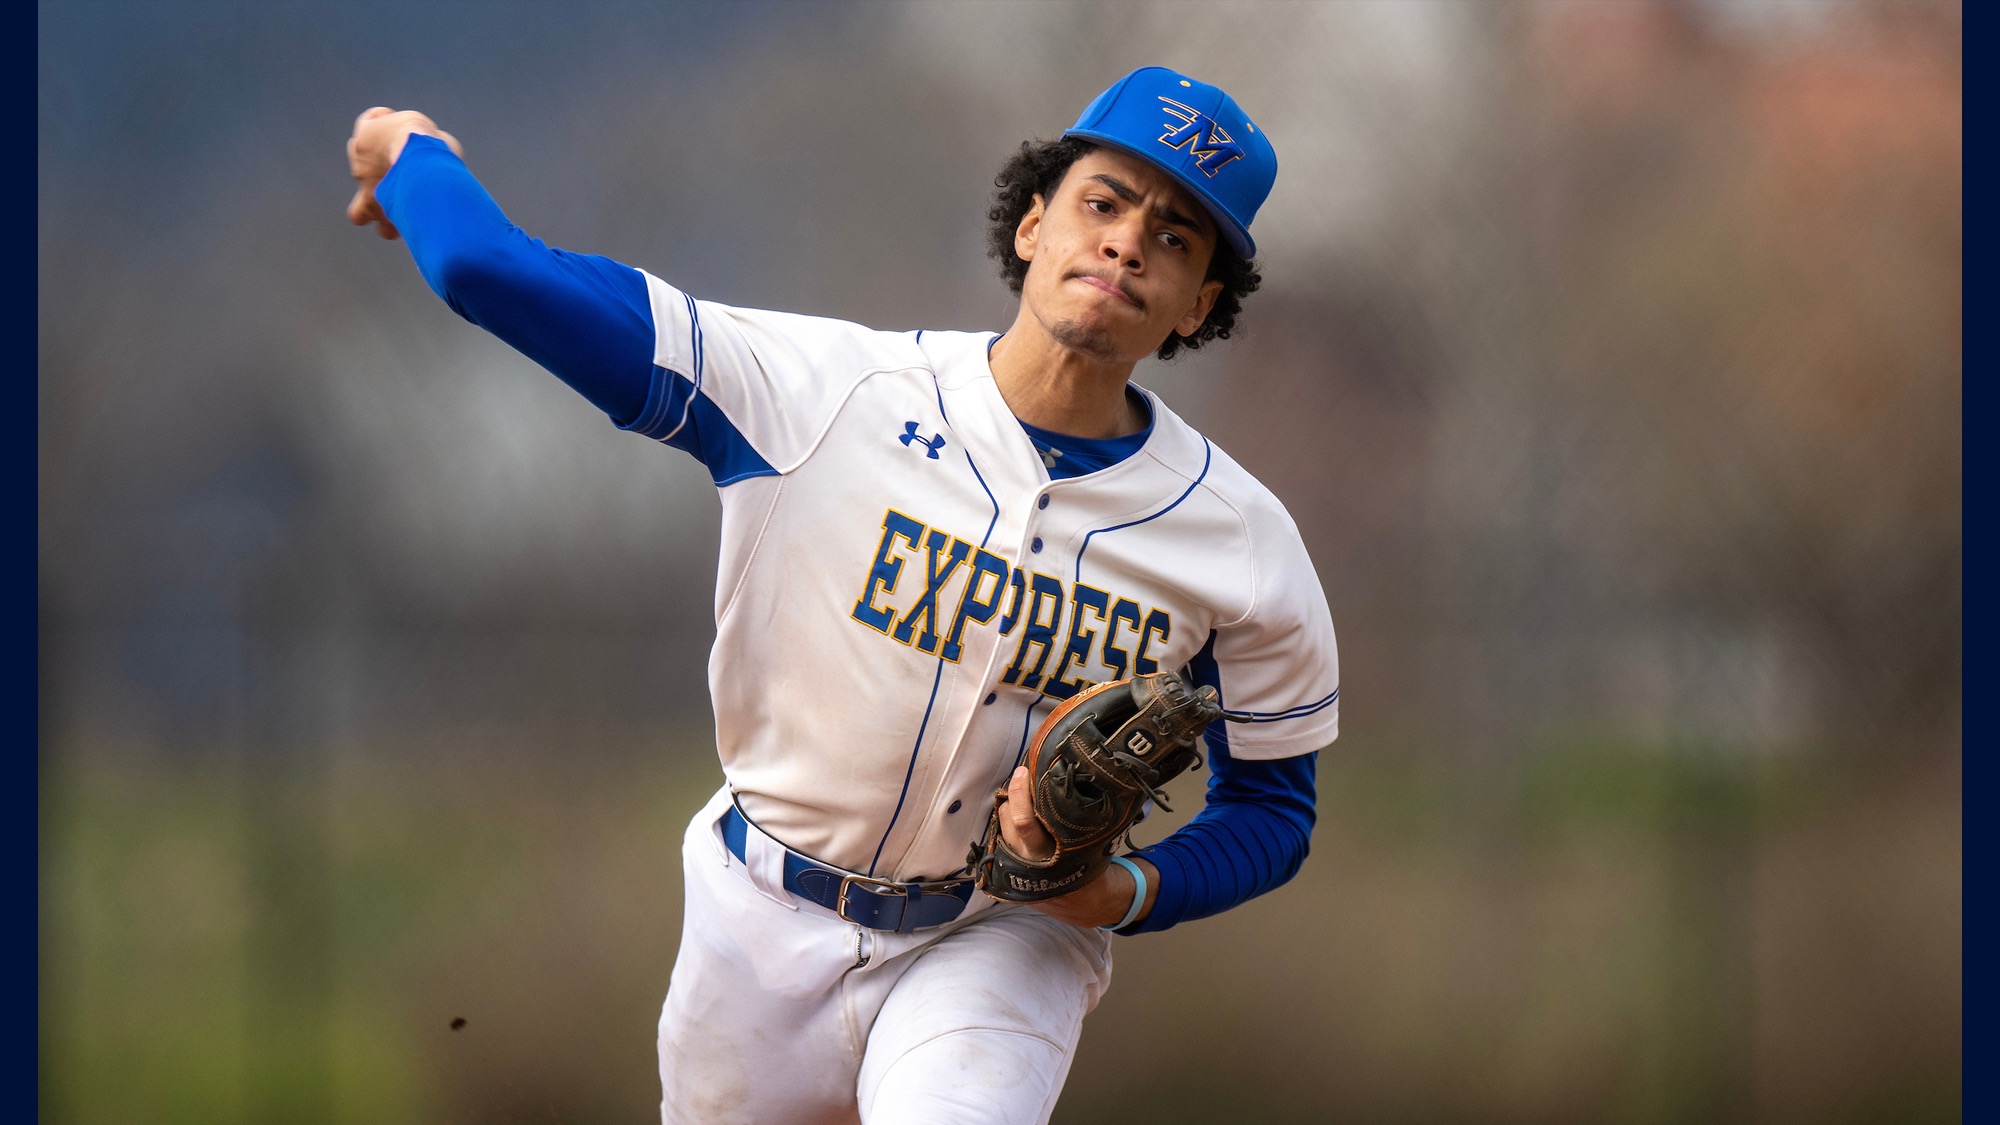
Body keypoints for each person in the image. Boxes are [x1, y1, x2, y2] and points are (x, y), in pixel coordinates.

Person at [346, 65, 1339, 1125]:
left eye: (1176, 237)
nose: (1127, 242)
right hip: (754, 923)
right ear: (1032, 224)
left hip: (998, 936)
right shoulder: (820, 393)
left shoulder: (1237, 541)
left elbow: (1271, 809)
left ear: (1200, 305)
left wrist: (1125, 894)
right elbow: (482, 269)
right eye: (1102, 204)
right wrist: (409, 155)